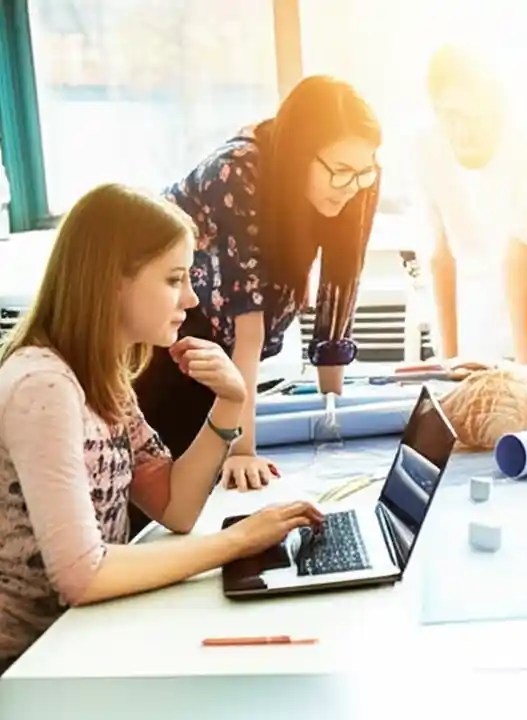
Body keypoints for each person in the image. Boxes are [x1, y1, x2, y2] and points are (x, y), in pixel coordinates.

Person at [0, 185, 323, 672]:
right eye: (175, 279)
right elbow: (82, 574)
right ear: (113, 281)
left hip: (69, 646)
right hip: (24, 667)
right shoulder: (43, 386)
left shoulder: (103, 378)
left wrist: (231, 402)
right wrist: (236, 543)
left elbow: (176, 506)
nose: (191, 298)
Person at [136, 76, 382, 493]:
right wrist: (242, 450)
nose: (353, 186)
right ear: (301, 153)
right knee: (175, 485)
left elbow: (340, 283)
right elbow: (248, 325)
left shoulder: (357, 176)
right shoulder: (237, 171)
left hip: (222, 349)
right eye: (340, 172)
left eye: (364, 172)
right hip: (163, 345)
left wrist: (332, 410)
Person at [419, 44, 527, 365]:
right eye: (450, 116)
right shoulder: (426, 147)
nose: (462, 130)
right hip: (472, 314)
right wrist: (448, 361)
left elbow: (517, 255)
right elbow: (440, 256)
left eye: (474, 116)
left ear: (495, 109)